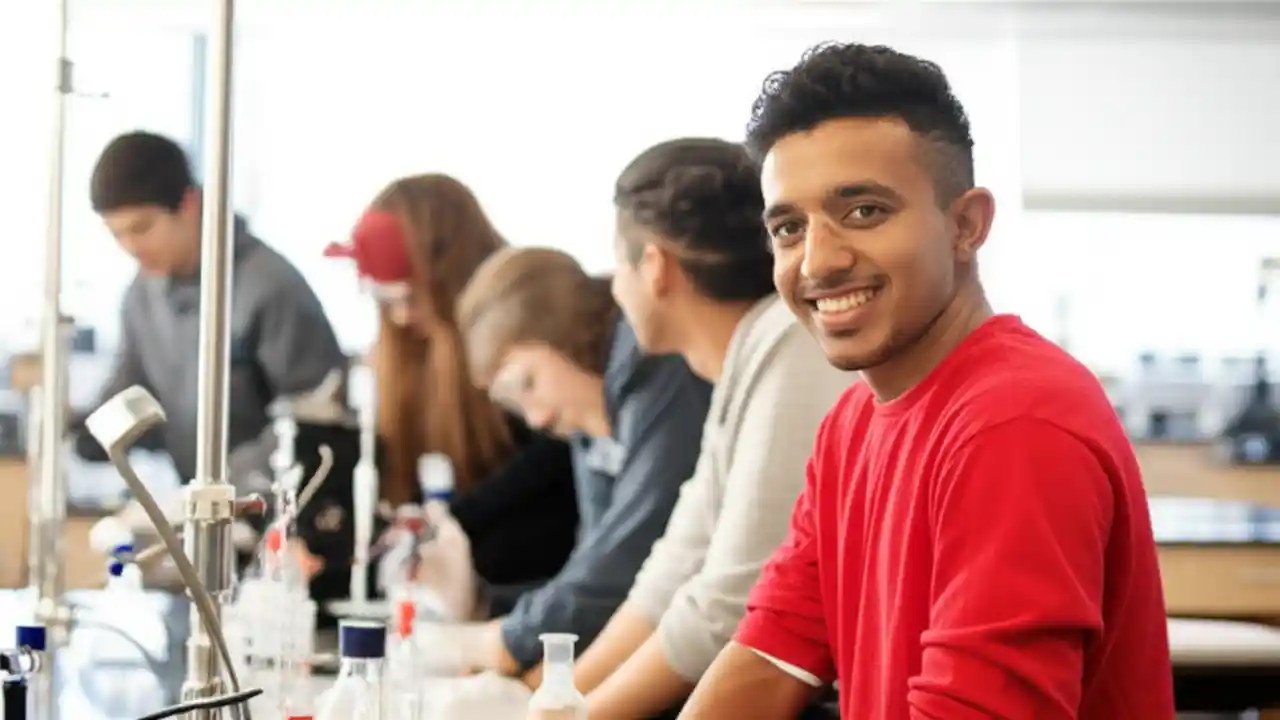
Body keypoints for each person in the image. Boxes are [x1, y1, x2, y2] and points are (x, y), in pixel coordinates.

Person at [680, 43, 1174, 719]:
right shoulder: (850, 426)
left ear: (965, 225)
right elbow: (770, 653)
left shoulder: (1015, 421)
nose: (817, 262)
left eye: (864, 212)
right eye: (789, 227)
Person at [507, 138, 849, 719]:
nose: (615, 289)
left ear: (655, 266)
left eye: (620, 264)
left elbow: (723, 605)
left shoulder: (787, 344)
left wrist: (582, 716)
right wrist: (549, 703)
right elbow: (669, 576)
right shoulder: (746, 355)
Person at [448, 246, 712, 676]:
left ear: (563, 333)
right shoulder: (590, 411)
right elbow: (590, 565)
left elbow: (623, 562)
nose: (537, 418)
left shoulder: (655, 364)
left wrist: (508, 645)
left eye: (528, 383)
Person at [323, 174, 578, 587]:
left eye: (409, 298)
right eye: (387, 303)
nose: (402, 318)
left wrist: (452, 519)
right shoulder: (396, 355)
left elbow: (552, 460)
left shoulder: (526, 324)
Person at [74, 130, 346, 487]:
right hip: (194, 504)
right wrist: (84, 431)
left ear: (189, 205)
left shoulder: (271, 287)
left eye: (141, 228)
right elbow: (131, 390)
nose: (130, 247)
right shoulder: (141, 295)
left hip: (270, 509)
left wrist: (229, 485)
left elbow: (314, 415)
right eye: (116, 233)